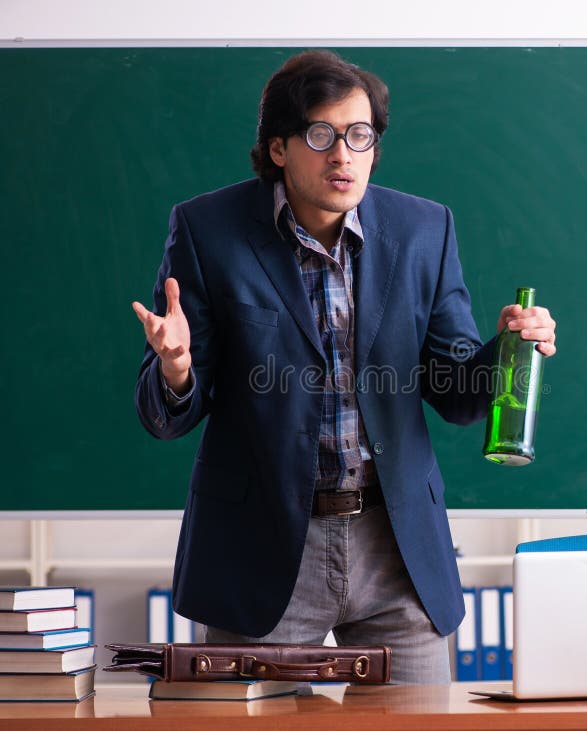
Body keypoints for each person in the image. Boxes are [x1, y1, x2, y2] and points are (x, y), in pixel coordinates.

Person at [132, 49, 556, 684]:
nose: (343, 156)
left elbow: (458, 392)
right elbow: (166, 418)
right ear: (278, 148)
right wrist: (175, 368)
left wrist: (509, 349)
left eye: (360, 136)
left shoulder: (423, 230)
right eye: (321, 135)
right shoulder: (207, 230)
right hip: (263, 548)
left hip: (396, 548)